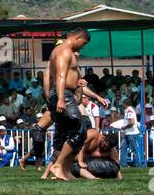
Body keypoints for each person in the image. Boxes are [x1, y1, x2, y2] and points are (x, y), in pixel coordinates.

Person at [41, 32, 109, 181]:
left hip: (65, 94)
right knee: (80, 129)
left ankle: (64, 170)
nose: (82, 47)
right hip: (63, 95)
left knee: (66, 135)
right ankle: (58, 166)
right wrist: (59, 99)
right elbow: (59, 77)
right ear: (77, 38)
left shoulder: (66, 52)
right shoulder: (63, 51)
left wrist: (96, 96)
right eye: (83, 43)